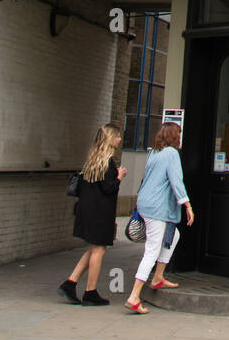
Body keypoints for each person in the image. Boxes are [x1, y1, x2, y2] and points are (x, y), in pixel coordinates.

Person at [124, 122, 193, 315]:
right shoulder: (171, 154)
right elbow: (176, 181)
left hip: (146, 203)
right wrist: (187, 205)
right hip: (157, 207)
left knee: (174, 236)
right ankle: (134, 295)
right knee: (152, 249)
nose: (180, 137)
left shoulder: (153, 152)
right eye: (178, 134)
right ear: (174, 136)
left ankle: (158, 277)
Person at [59, 123, 126, 306]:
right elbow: (108, 188)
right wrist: (119, 176)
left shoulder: (92, 159)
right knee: (98, 250)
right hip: (99, 212)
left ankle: (70, 283)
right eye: (117, 136)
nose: (119, 139)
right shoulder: (107, 162)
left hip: (87, 210)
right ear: (110, 138)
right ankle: (90, 292)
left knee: (92, 249)